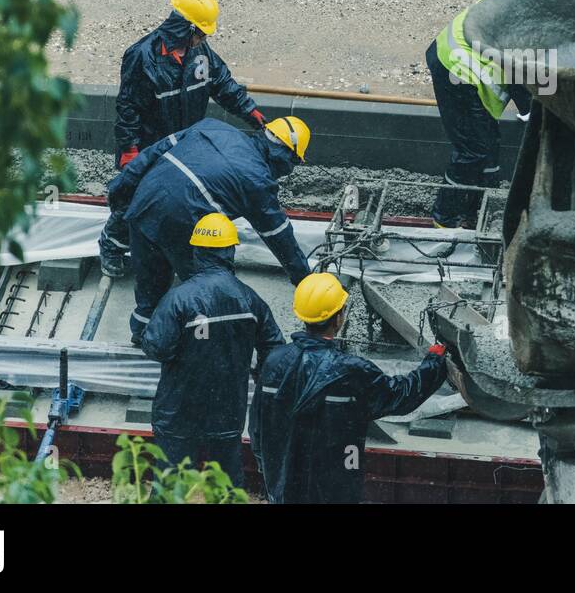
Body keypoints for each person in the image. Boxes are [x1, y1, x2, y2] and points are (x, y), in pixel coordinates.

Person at [98, 0, 268, 276]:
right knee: (133, 200)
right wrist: (130, 151)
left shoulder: (200, 54)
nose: (204, 38)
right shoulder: (142, 57)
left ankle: (170, 247)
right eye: (201, 32)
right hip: (150, 144)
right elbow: (128, 108)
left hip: (185, 143)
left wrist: (251, 113)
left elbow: (224, 86)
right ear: (185, 27)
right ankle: (112, 246)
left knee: (179, 196)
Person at [107, 115, 312, 344]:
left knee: (150, 287)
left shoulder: (213, 127)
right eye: (293, 163)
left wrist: (120, 191)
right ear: (284, 154)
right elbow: (278, 235)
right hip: (182, 225)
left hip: (144, 203)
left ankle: (145, 338)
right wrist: (304, 279)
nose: (289, 171)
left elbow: (152, 153)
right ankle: (202, 348)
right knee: (208, 291)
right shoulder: (257, 180)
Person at [250, 271, 449, 503]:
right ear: (338, 319)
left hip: (285, 485)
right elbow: (401, 395)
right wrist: (434, 363)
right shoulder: (352, 370)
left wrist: (270, 470)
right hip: (334, 485)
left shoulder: (275, 361)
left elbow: (257, 424)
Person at [141, 213, 282, 487]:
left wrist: (185, 356)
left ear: (196, 251)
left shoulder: (178, 299)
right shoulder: (250, 300)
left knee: (170, 482)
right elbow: (275, 348)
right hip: (227, 410)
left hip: (179, 409)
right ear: (230, 251)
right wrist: (255, 370)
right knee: (226, 482)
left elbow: (156, 347)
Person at [425, 0, 533, 228]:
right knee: (472, 151)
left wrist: (484, 19)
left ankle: (480, 203)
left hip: (447, 47)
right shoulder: (532, 39)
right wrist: (532, 112)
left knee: (487, 141)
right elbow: (526, 90)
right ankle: (444, 220)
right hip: (457, 73)